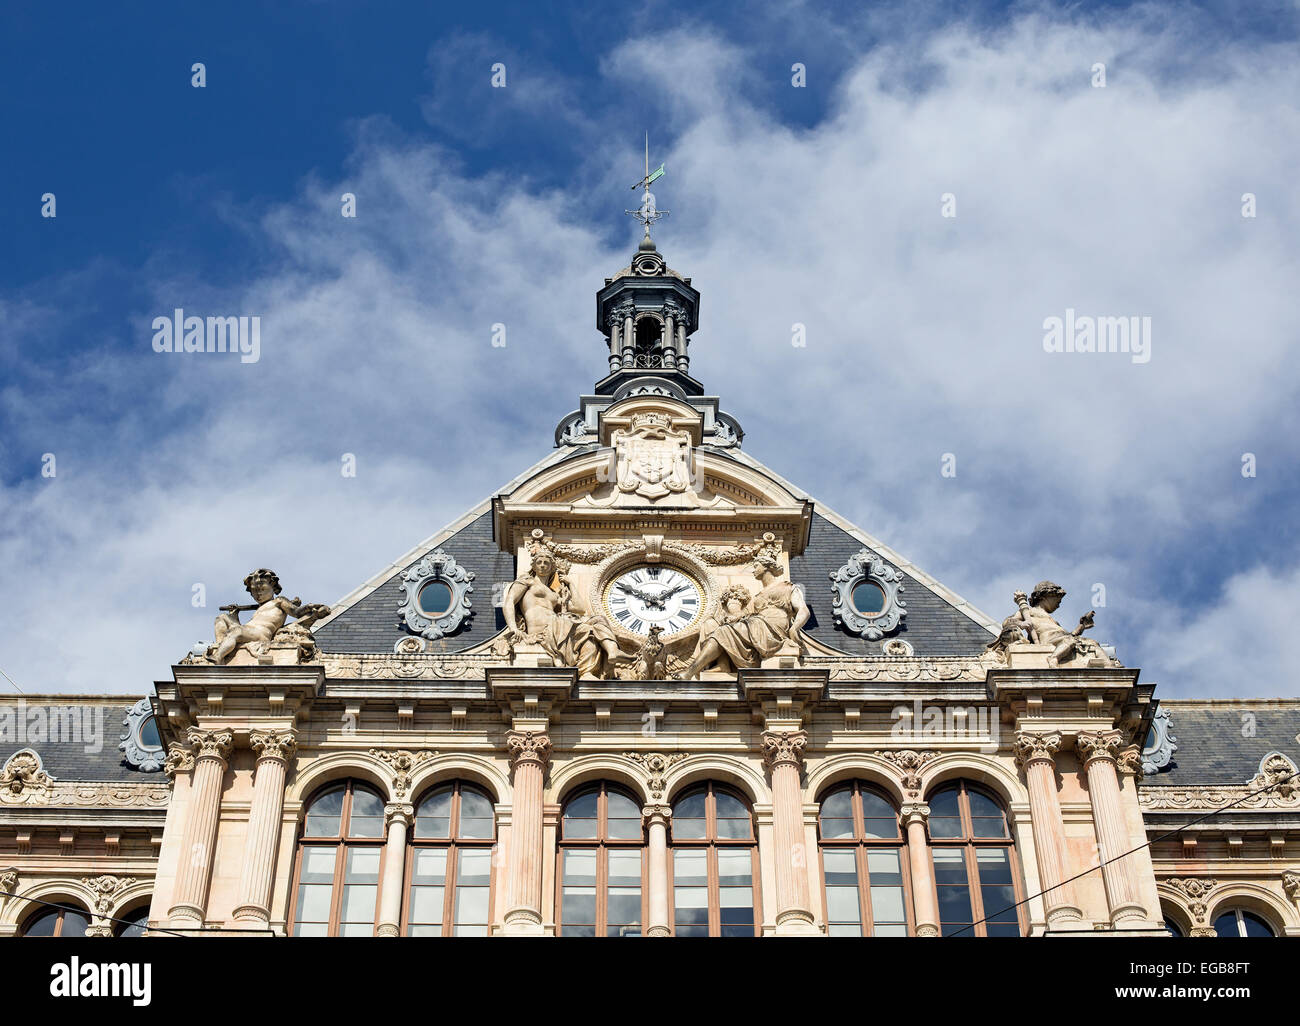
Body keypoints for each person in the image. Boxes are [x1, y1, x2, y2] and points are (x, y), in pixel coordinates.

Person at [675, 551, 809, 678]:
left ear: (767, 567)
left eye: (756, 566)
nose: (753, 570)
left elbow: (804, 610)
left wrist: (794, 628)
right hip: (757, 623)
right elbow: (743, 614)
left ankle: (690, 671)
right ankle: (721, 665)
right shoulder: (758, 597)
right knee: (715, 626)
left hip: (774, 625)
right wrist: (728, 615)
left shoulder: (786, 587)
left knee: (724, 631)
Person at [504, 552, 630, 678]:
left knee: (594, 627)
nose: (542, 565)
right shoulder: (527, 581)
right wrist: (513, 628)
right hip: (543, 630)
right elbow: (509, 601)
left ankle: (602, 658)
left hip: (558, 625)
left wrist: (571, 584)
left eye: (546, 563)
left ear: (552, 567)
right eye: (539, 562)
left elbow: (579, 608)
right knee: (589, 627)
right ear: (534, 566)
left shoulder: (554, 594)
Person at [208, 569, 330, 664]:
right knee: (222, 618)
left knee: (237, 631)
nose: (258, 593)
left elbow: (296, 612)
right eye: (254, 590)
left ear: (273, 587)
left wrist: (309, 607)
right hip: (248, 630)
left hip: (262, 634)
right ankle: (221, 649)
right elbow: (237, 628)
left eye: (262, 588)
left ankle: (218, 657)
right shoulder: (260, 608)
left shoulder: (279, 601)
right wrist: (234, 614)